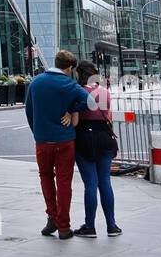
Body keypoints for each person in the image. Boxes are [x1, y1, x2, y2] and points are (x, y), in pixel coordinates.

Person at [24, 49, 91, 240]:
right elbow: (90, 101)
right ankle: (63, 227)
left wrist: (37, 132)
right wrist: (72, 110)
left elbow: (29, 111)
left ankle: (51, 218)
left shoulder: (36, 82)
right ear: (69, 68)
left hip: (42, 141)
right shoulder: (68, 84)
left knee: (45, 177)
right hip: (64, 140)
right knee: (63, 182)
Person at [73, 60, 121, 238]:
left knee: (90, 185)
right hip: (104, 137)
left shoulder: (79, 93)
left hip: (85, 138)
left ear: (80, 74)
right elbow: (109, 117)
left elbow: (75, 121)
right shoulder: (105, 92)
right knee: (105, 183)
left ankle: (90, 226)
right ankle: (112, 225)